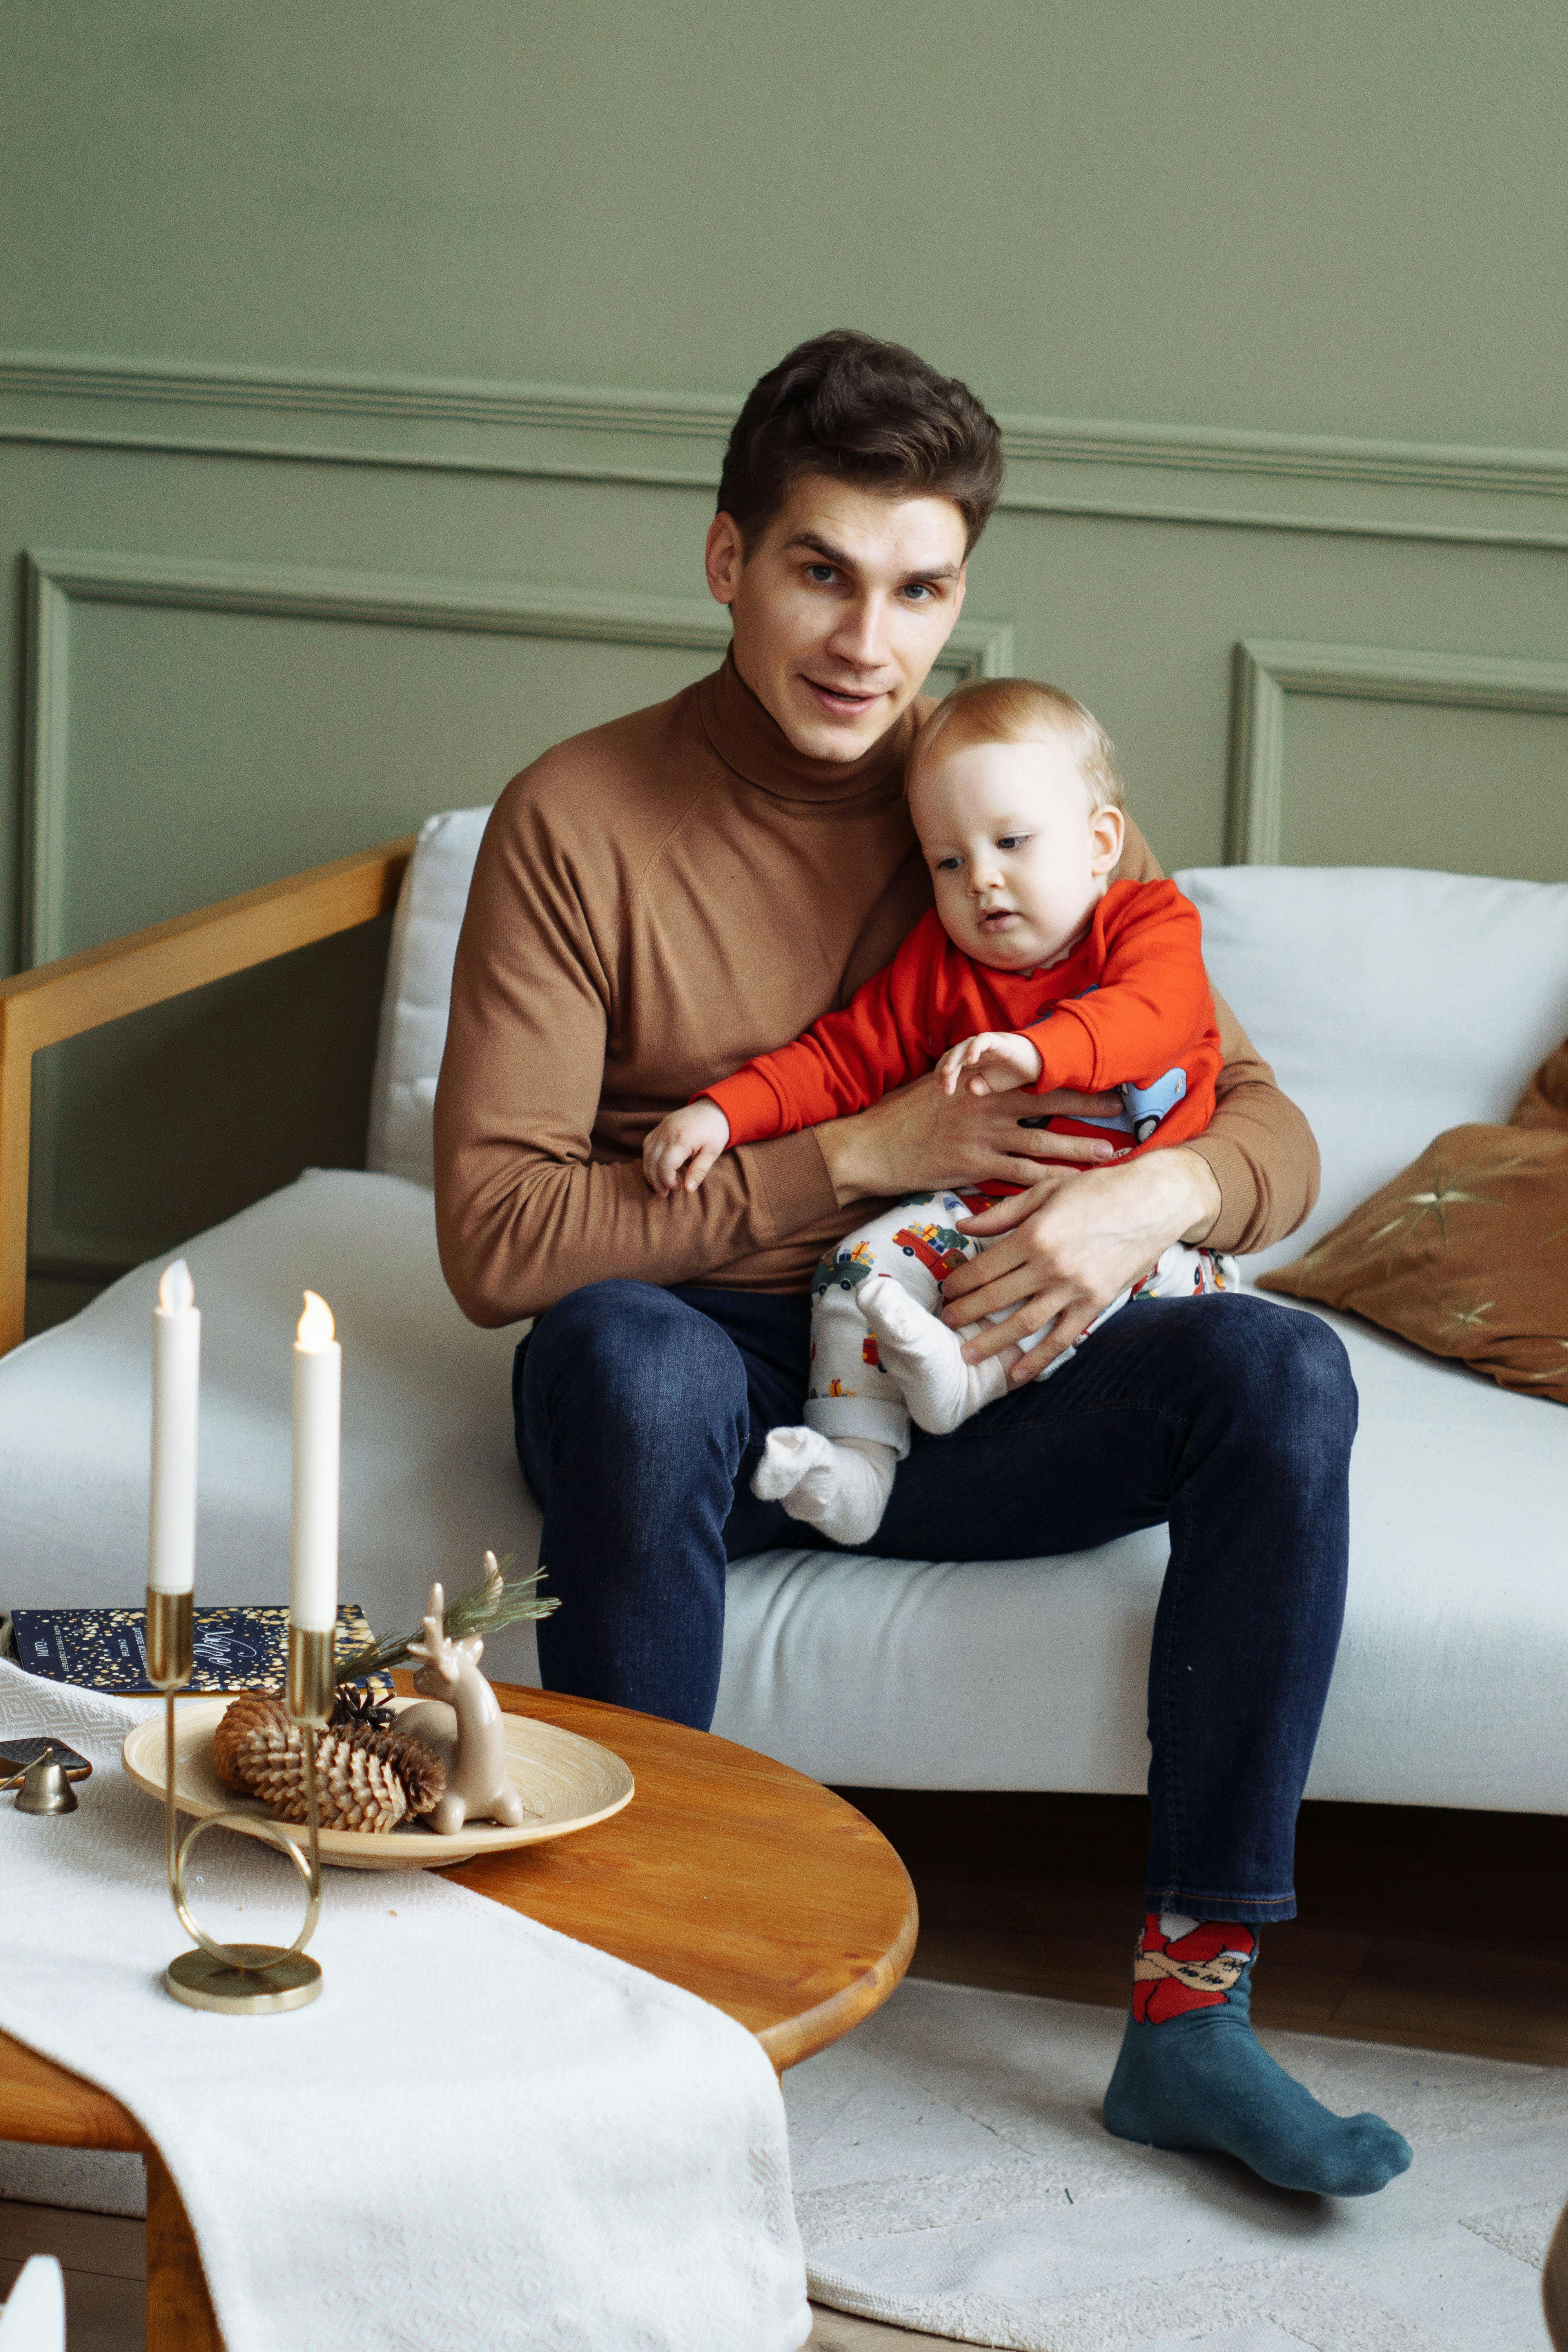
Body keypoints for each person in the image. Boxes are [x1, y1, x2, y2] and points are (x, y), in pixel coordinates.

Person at [435, 329, 1410, 2198]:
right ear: (728, 559)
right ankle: (650, 1998)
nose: (862, 642)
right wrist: (859, 1150)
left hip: (969, 1384)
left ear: (959, 593)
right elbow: (497, 1238)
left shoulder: (1003, 803)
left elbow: (1264, 1134)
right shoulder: (577, 819)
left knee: (1281, 1372)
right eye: (817, 570)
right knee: (625, 1357)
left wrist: (1150, 1201)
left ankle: (1190, 2022)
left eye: (916, 587)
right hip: (703, 1395)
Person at [640, 674, 1236, 1547]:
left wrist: (1039, 1051)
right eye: (948, 862)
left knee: (1206, 1313)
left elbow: (1153, 1016)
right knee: (855, 1267)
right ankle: (855, 1468)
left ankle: (969, 1378)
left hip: (1140, 1238)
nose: (981, 882)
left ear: (1100, 841)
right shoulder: (939, 963)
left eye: (1011, 843)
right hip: (979, 1219)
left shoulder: (1148, 923)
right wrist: (723, 1115)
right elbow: (841, 1058)